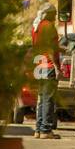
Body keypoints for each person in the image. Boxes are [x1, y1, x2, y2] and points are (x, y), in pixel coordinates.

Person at [31, 10, 61, 139]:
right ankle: (46, 130)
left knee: (41, 98)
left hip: (38, 65)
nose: (55, 17)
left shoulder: (36, 27)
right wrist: (56, 66)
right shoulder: (49, 26)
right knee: (48, 99)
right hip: (48, 65)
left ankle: (38, 129)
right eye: (54, 14)